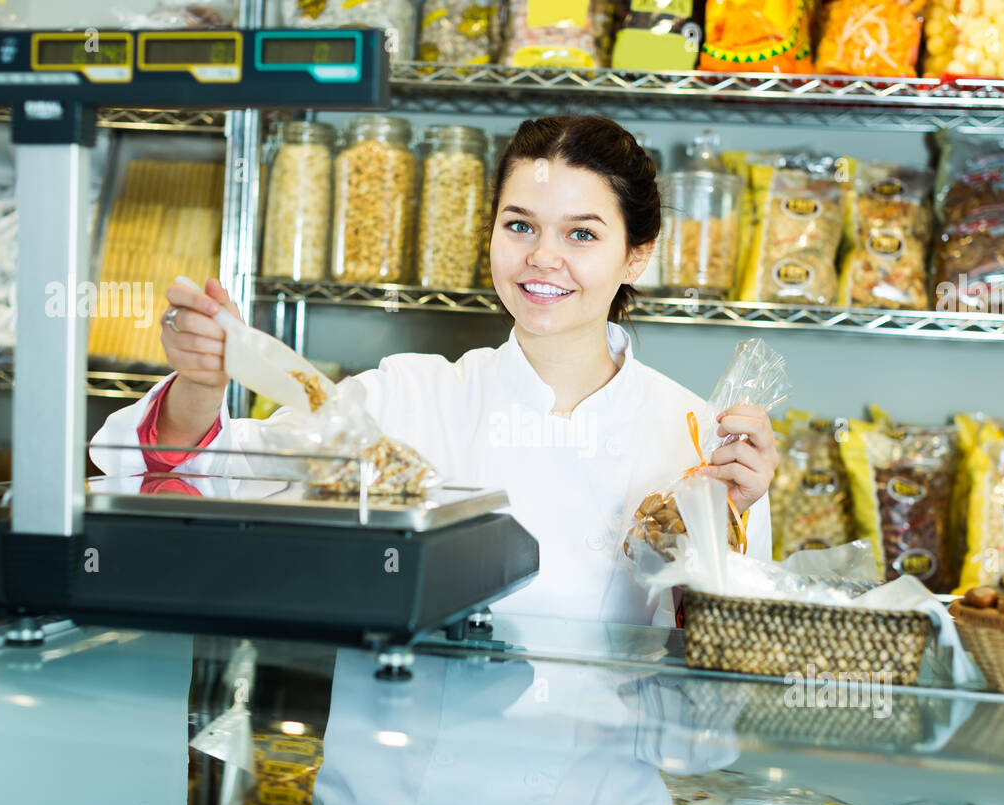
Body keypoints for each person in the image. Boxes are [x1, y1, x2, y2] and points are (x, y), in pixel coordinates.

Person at [90, 114, 779, 626]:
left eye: (582, 233)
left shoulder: (699, 442)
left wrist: (716, 537)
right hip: (398, 803)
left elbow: (705, 718)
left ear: (636, 256)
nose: (542, 257)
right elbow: (192, 483)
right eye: (519, 225)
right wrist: (202, 383)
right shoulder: (401, 398)